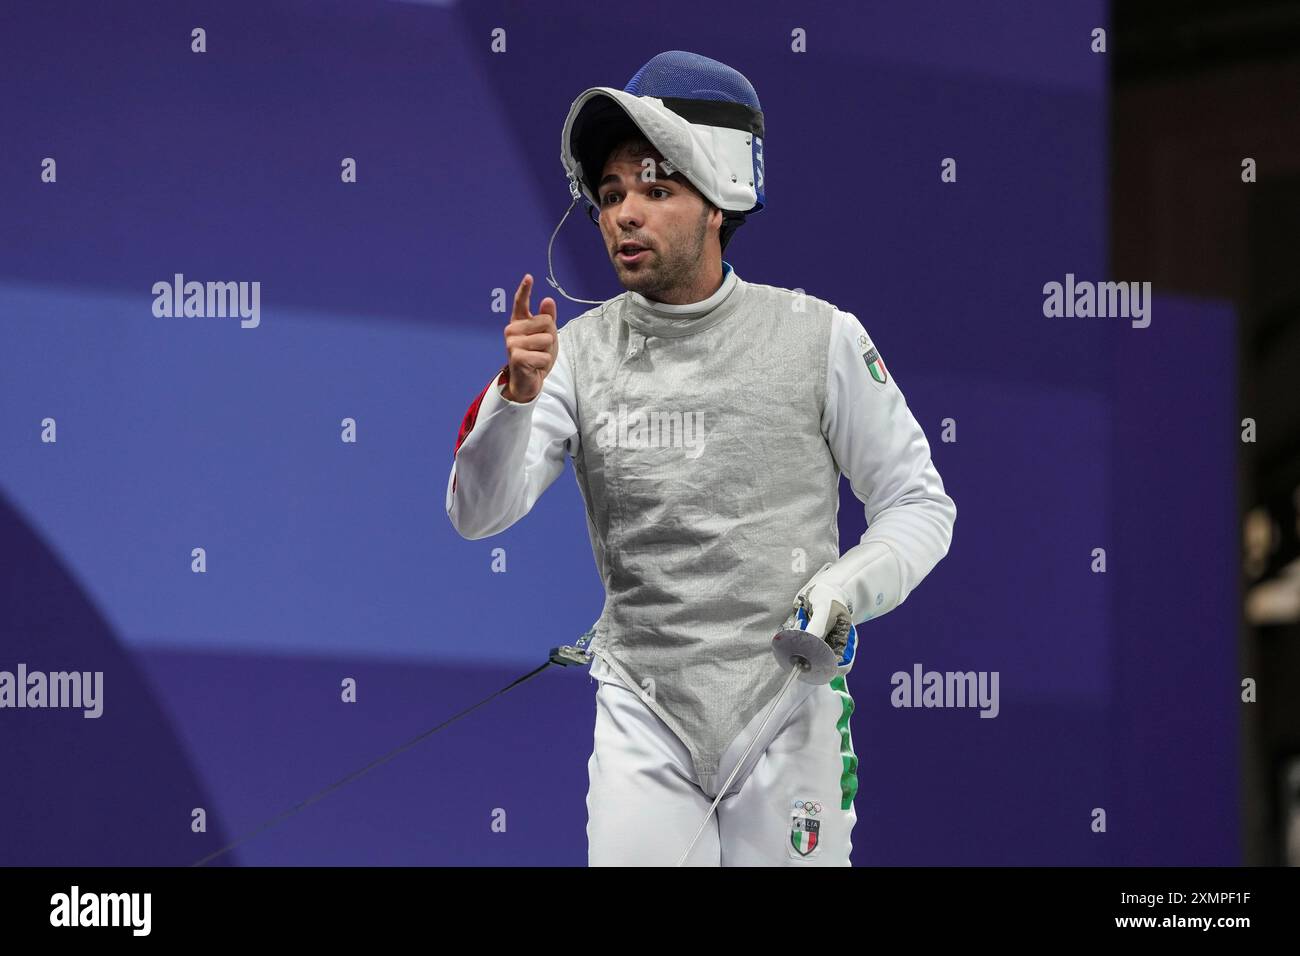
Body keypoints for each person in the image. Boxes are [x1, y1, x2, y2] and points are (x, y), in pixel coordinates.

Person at [446, 51, 955, 866]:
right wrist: (514, 399)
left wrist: (843, 589)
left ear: (719, 197)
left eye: (655, 188)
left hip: (789, 706)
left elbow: (920, 505)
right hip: (644, 712)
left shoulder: (818, 336)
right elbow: (478, 513)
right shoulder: (572, 354)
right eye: (610, 195)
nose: (623, 215)